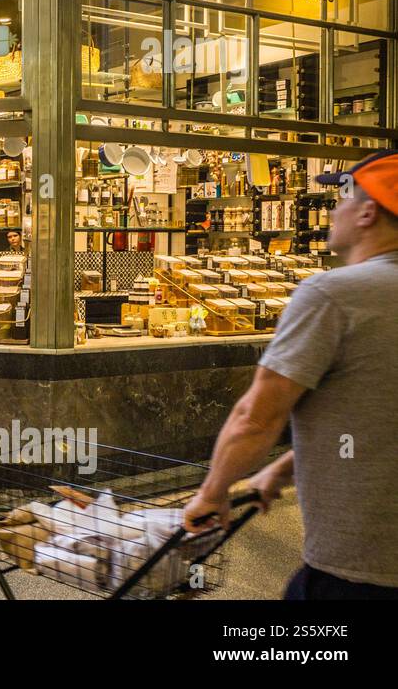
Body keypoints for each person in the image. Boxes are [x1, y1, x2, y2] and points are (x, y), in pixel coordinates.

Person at [183, 150, 398, 599]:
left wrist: (212, 493)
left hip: (359, 564)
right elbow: (372, 422)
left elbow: (257, 416)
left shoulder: (332, 295)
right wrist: (280, 472)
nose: (332, 211)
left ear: (367, 211)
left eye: (340, 198)